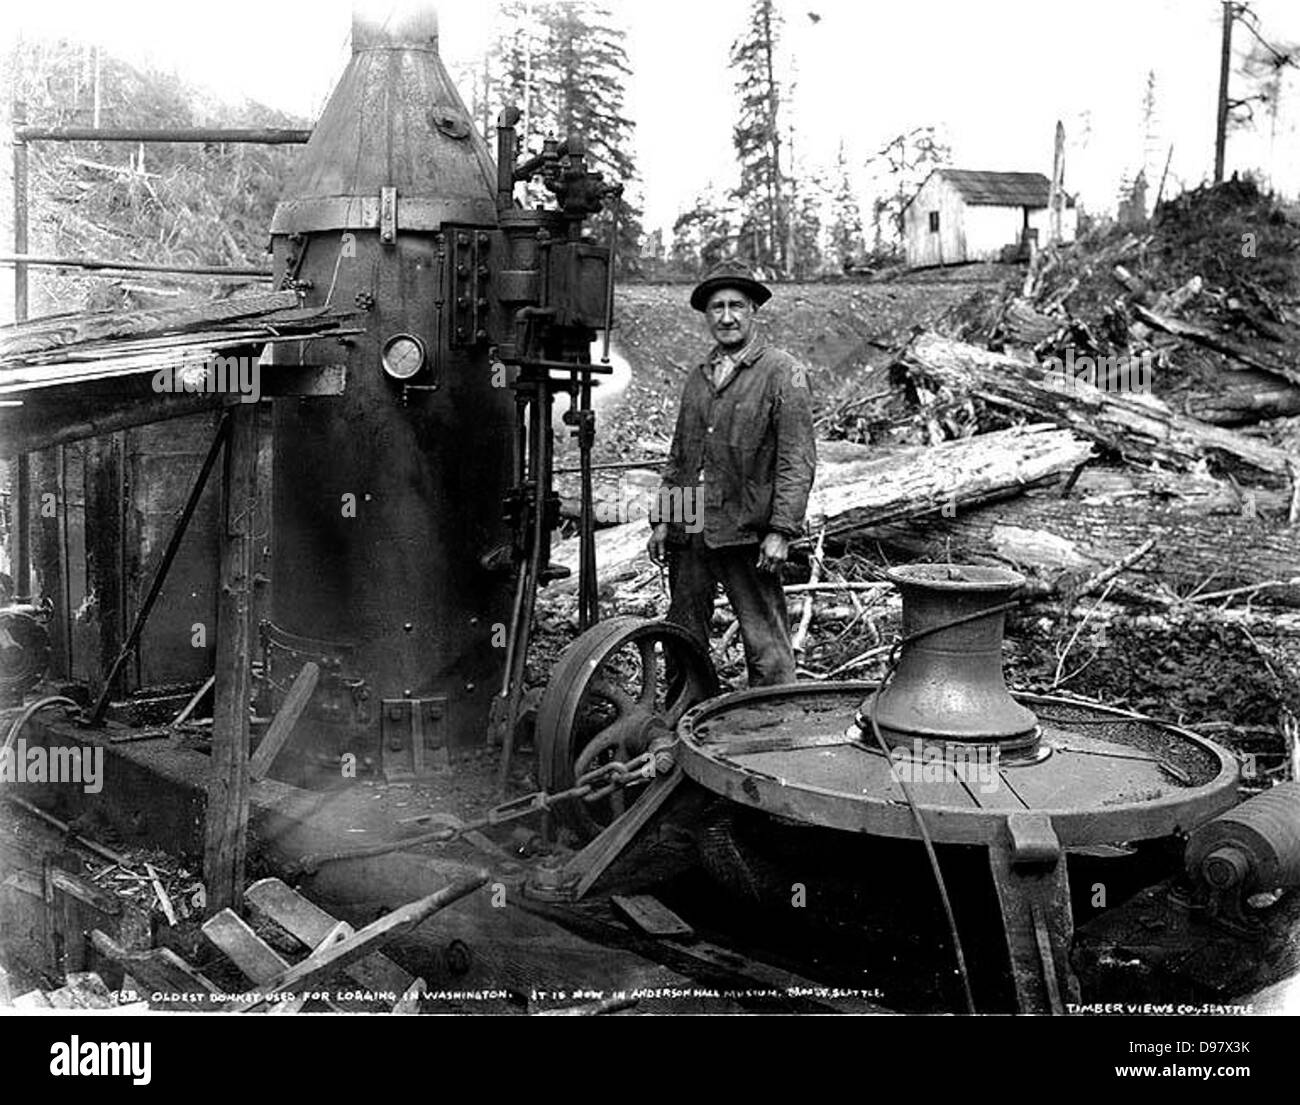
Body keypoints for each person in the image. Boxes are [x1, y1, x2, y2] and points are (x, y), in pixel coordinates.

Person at [647, 259, 816, 686]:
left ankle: (774, 727)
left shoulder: (783, 371)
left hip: (748, 528)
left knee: (765, 642)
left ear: (753, 311)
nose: (726, 317)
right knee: (683, 634)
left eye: (736, 305)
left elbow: (798, 459)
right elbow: (681, 455)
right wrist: (666, 519)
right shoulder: (699, 376)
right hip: (693, 524)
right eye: (716, 308)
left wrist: (782, 530)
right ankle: (684, 721)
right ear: (706, 316)